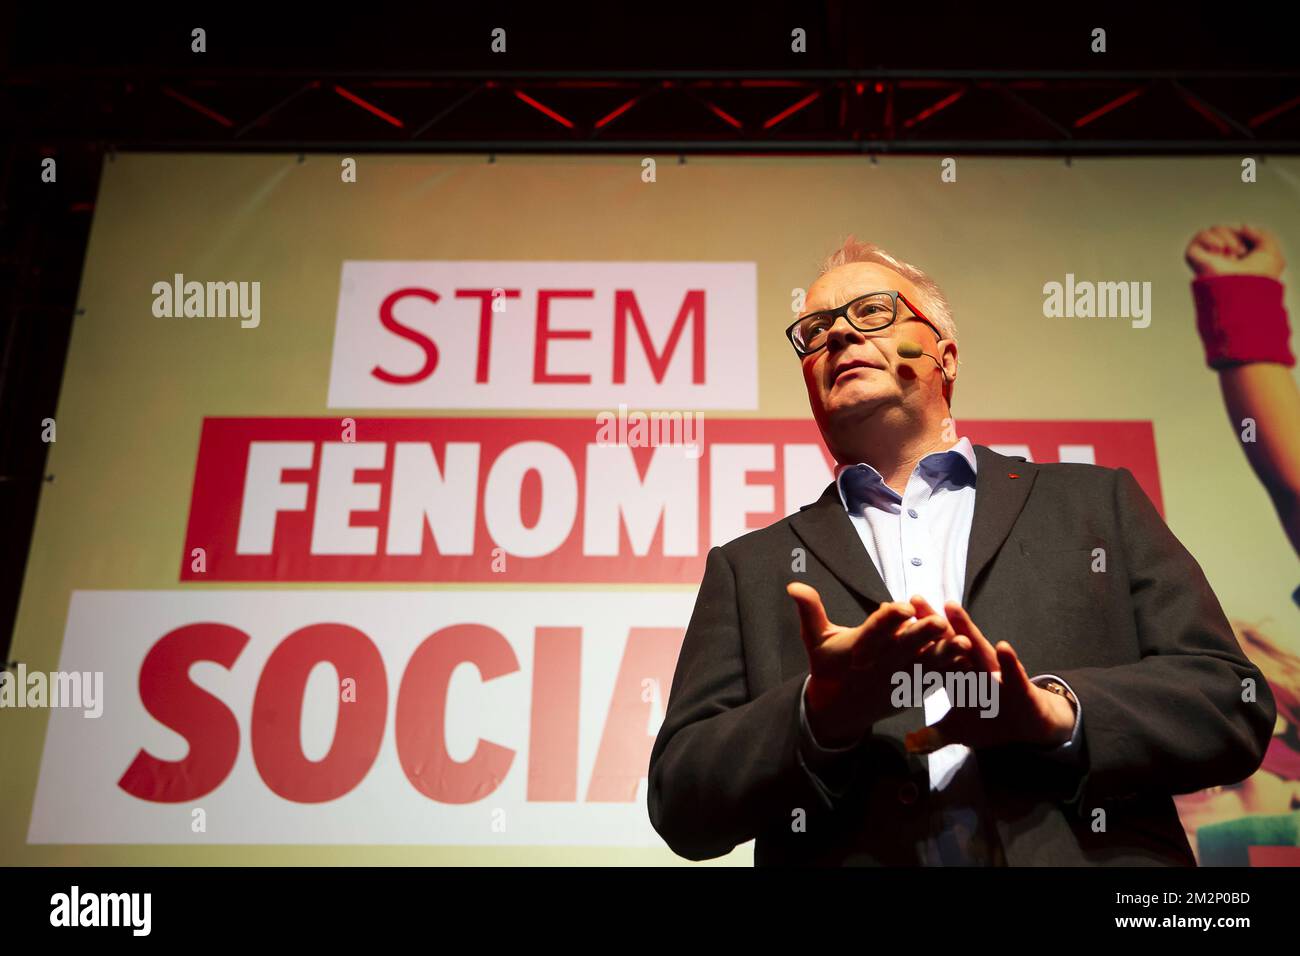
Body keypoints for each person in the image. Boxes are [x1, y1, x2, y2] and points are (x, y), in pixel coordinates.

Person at [647, 237, 1276, 865]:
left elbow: (1230, 702)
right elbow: (680, 800)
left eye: (871, 312)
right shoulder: (748, 569)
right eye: (814, 330)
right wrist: (818, 716)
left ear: (944, 358)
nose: (836, 337)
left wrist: (1052, 714)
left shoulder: (1094, 505)